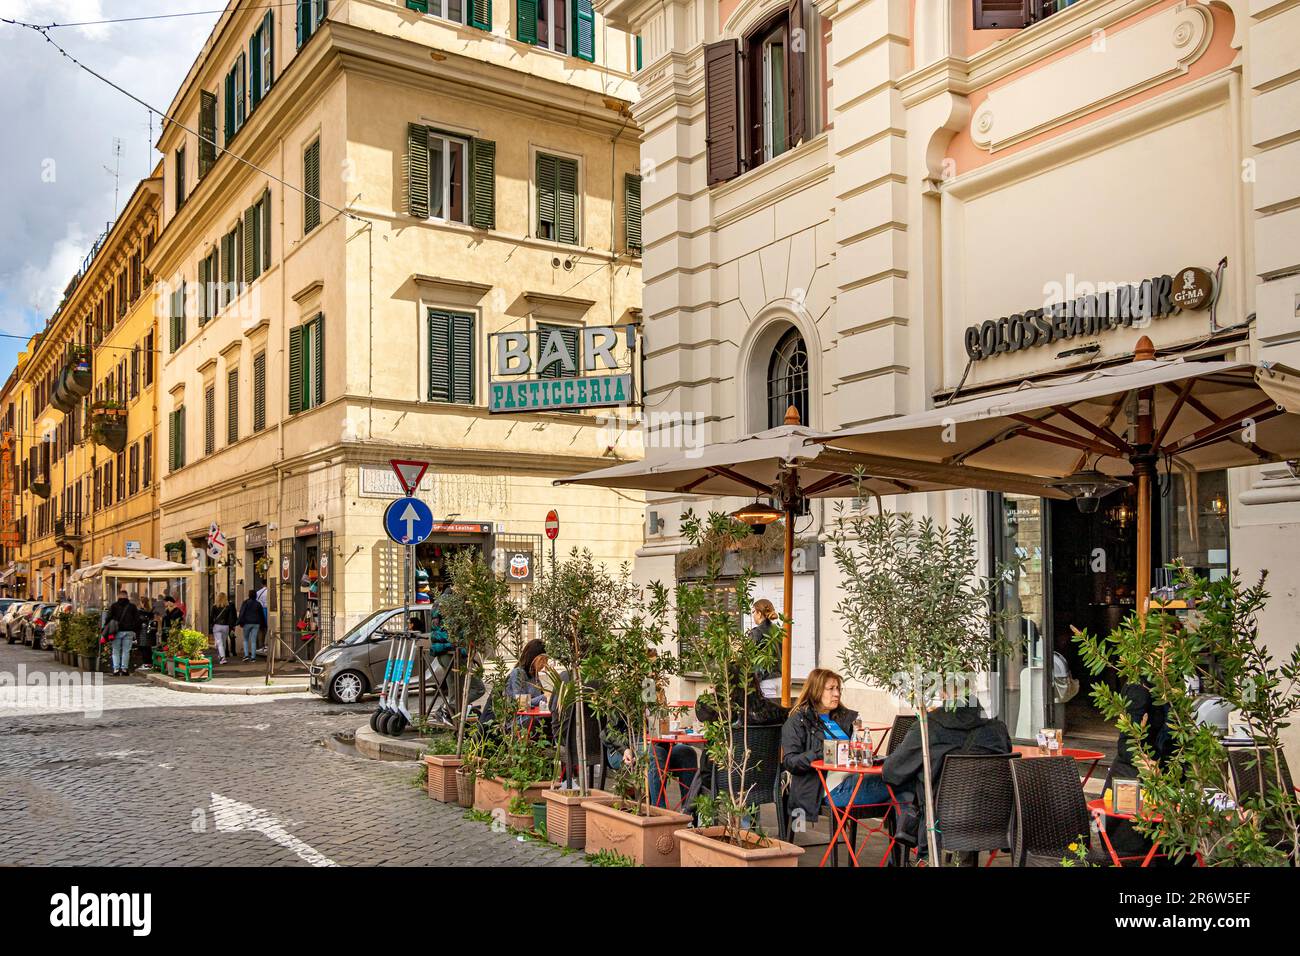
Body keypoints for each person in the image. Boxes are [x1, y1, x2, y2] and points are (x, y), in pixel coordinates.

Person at [882, 692, 1012, 853]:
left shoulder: (927, 728)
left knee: (908, 793)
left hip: (941, 824)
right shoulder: (998, 729)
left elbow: (891, 773)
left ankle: (918, 858)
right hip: (994, 821)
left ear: (943, 693)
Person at [780, 668, 890, 827]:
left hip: (855, 778)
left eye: (838, 688)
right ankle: (914, 841)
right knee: (902, 783)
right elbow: (790, 762)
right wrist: (823, 753)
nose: (837, 693)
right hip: (826, 789)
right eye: (831, 689)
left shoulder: (844, 719)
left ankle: (907, 836)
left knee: (901, 783)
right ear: (816, 690)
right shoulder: (798, 721)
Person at [749, 599, 782, 701]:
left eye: (753, 612)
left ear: (759, 613)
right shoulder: (777, 630)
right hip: (781, 679)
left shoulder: (757, 632)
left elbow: (747, 655)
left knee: (769, 714)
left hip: (765, 680)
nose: (753, 615)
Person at [104, 588, 142, 677]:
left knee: (116, 650)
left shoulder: (114, 606)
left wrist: (106, 628)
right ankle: (124, 669)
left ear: (118, 596)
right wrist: (134, 629)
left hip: (116, 631)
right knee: (126, 651)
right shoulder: (132, 606)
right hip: (129, 631)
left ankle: (116, 669)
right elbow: (137, 619)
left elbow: (108, 618)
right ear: (127, 596)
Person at [505, 639, 549, 710]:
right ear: (532, 657)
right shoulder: (518, 673)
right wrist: (544, 697)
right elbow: (521, 704)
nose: (544, 664)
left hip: (533, 715)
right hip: (519, 718)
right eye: (542, 660)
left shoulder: (534, 675)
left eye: (546, 660)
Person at [237, 590, 265, 662]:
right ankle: (253, 657)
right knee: (253, 640)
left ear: (249, 595)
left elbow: (242, 612)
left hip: (247, 623)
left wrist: (240, 622)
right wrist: (263, 624)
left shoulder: (245, 603)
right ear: (255, 595)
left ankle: (246, 655)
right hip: (256, 623)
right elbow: (261, 615)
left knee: (245, 639)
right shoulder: (258, 604)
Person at [210, 592, 236, 665]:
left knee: (219, 642)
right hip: (225, 626)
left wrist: (211, 625)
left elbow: (211, 617)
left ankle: (222, 657)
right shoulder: (228, 607)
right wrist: (232, 627)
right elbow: (230, 618)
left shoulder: (214, 606)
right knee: (223, 642)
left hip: (217, 626)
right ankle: (221, 656)